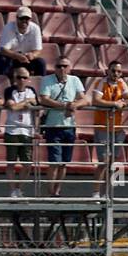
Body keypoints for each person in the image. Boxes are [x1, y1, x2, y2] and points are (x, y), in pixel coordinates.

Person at [38, 54, 86, 197]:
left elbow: (85, 99)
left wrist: (73, 105)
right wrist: (65, 105)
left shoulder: (75, 80)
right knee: (54, 162)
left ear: (69, 68)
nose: (62, 69)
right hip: (53, 126)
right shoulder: (47, 80)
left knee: (64, 162)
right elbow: (44, 99)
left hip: (69, 126)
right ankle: (50, 192)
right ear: (55, 68)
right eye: (59, 66)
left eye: (65, 66)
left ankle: (57, 191)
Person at [90, 58, 128, 193]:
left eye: (119, 71)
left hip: (117, 128)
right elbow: (96, 100)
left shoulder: (122, 83)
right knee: (104, 161)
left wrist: (123, 103)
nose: (116, 73)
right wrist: (114, 104)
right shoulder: (101, 82)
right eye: (113, 71)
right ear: (108, 71)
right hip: (102, 126)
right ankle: (96, 192)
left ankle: (109, 193)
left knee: (114, 162)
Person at [3, 65, 38, 197]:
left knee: (27, 164)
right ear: (14, 78)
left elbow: (36, 105)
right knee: (11, 163)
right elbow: (13, 107)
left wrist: (27, 102)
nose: (22, 80)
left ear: (28, 79)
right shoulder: (9, 90)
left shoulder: (32, 90)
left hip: (27, 131)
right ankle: (12, 190)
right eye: (19, 77)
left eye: (25, 77)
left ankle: (18, 188)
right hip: (12, 130)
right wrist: (26, 102)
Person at [0, 5, 44, 77]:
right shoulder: (8, 27)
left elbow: (38, 50)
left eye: (27, 19)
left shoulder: (35, 28)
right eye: (22, 18)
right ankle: (1, 83)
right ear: (17, 18)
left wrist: (32, 55)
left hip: (26, 58)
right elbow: (3, 50)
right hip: (10, 57)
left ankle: (40, 85)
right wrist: (17, 56)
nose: (24, 21)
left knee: (40, 63)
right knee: (1, 59)